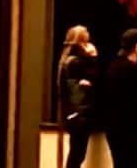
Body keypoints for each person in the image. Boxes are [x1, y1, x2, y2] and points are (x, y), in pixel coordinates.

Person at [101, 28, 137, 168]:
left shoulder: (112, 67)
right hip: (129, 132)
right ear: (136, 46)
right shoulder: (134, 70)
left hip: (113, 129)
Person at [59, 25, 100, 168]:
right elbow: (94, 77)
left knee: (75, 153)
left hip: (71, 113)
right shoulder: (78, 61)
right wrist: (93, 57)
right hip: (80, 113)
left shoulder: (66, 60)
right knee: (77, 154)